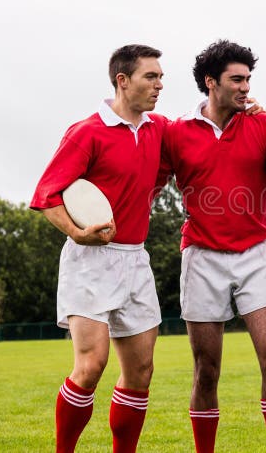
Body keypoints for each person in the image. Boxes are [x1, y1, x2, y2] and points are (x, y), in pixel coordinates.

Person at [30, 44, 171, 453]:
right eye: (151, 76)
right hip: (90, 259)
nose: (159, 84)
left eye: (161, 77)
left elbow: (201, 127)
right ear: (122, 80)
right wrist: (77, 232)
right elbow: (46, 196)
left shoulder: (158, 129)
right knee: (91, 365)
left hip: (136, 258)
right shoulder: (86, 131)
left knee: (141, 371)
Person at [161, 40, 266, 453]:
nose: (245, 87)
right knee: (206, 370)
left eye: (249, 79)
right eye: (237, 79)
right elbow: (145, 178)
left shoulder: (265, 125)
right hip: (201, 257)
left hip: (255, 254)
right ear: (210, 82)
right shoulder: (177, 132)